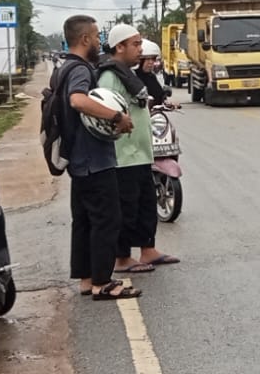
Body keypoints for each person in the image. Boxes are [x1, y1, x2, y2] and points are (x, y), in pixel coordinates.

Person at [58, 15, 141, 301]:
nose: (98, 41)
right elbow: (77, 100)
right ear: (84, 39)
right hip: (94, 159)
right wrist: (118, 116)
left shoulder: (62, 67)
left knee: (84, 221)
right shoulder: (80, 69)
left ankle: (87, 278)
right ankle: (103, 282)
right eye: (95, 36)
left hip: (78, 160)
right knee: (107, 219)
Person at [97, 24, 180, 275]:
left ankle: (148, 249)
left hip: (141, 152)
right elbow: (107, 112)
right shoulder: (110, 77)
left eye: (140, 44)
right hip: (124, 155)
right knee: (126, 209)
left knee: (146, 204)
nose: (140, 49)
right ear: (119, 47)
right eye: (135, 44)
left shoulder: (128, 73)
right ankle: (122, 258)